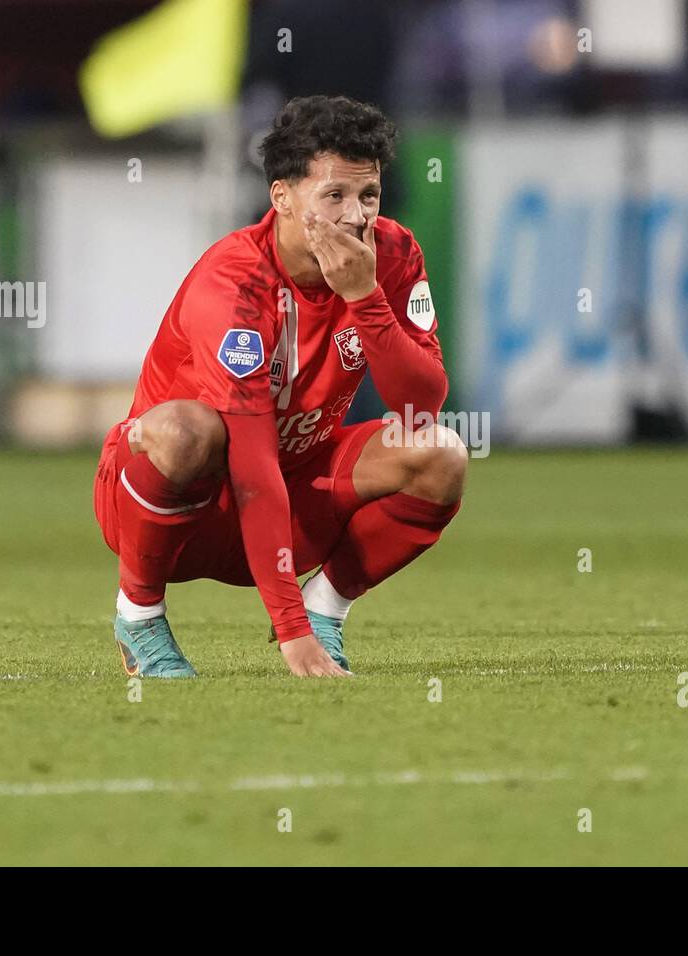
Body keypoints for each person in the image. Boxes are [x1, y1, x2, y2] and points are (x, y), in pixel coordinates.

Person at [92, 95, 468, 679]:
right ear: (282, 197)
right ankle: (138, 616)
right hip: (186, 500)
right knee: (182, 430)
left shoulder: (392, 254)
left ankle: (328, 611)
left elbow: (421, 404)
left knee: (441, 453)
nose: (356, 217)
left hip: (294, 492)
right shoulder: (234, 282)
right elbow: (250, 461)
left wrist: (365, 300)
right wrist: (287, 633)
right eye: (334, 196)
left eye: (368, 195)